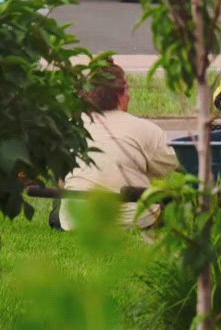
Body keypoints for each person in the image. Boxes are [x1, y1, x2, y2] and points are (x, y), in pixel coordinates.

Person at [61, 64, 180, 231]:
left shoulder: (70, 127)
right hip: (134, 219)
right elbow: (178, 162)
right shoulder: (145, 129)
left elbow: (61, 174)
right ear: (120, 94)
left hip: (77, 220)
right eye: (127, 89)